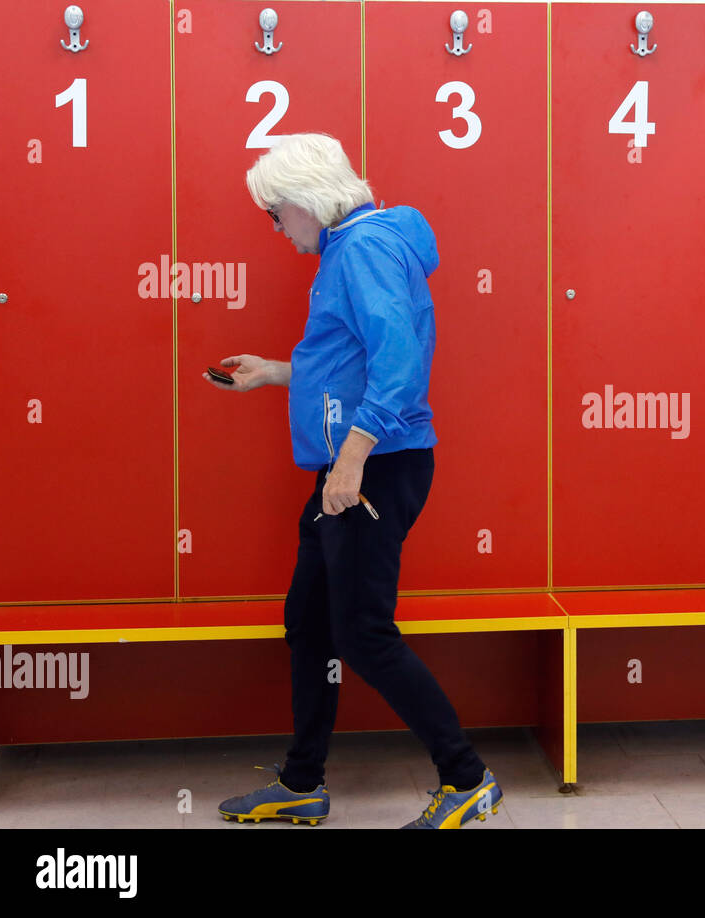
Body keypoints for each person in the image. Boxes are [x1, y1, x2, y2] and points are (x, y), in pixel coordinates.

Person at [205, 132, 500, 829]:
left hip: (370, 467)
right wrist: (278, 373)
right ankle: (302, 783)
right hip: (353, 466)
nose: (275, 227)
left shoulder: (362, 247)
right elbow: (349, 354)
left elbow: (399, 357)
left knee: (363, 634)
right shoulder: (351, 245)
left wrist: (352, 457)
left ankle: (468, 779)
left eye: (276, 212)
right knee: (308, 622)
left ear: (308, 199)